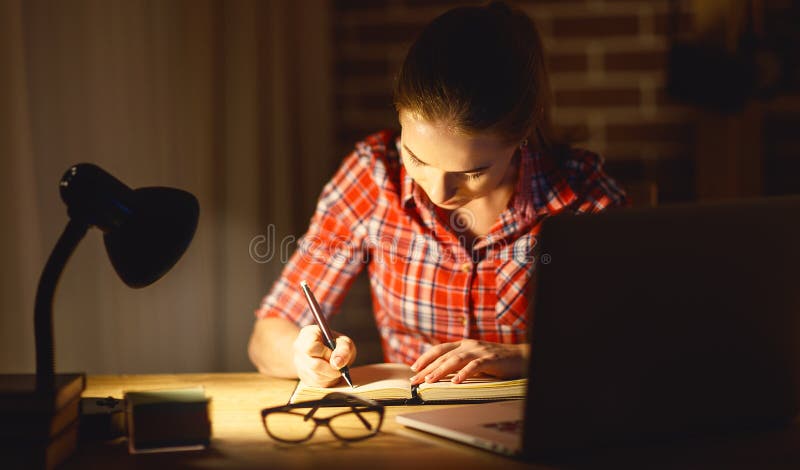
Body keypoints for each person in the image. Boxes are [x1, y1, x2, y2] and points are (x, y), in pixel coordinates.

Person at [248, 1, 628, 388]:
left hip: (538, 430)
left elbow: (633, 344)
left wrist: (523, 357)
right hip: (406, 434)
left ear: (522, 136)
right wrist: (303, 357)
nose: (437, 191)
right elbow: (268, 335)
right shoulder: (374, 176)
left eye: (472, 172)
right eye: (416, 158)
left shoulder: (582, 196)